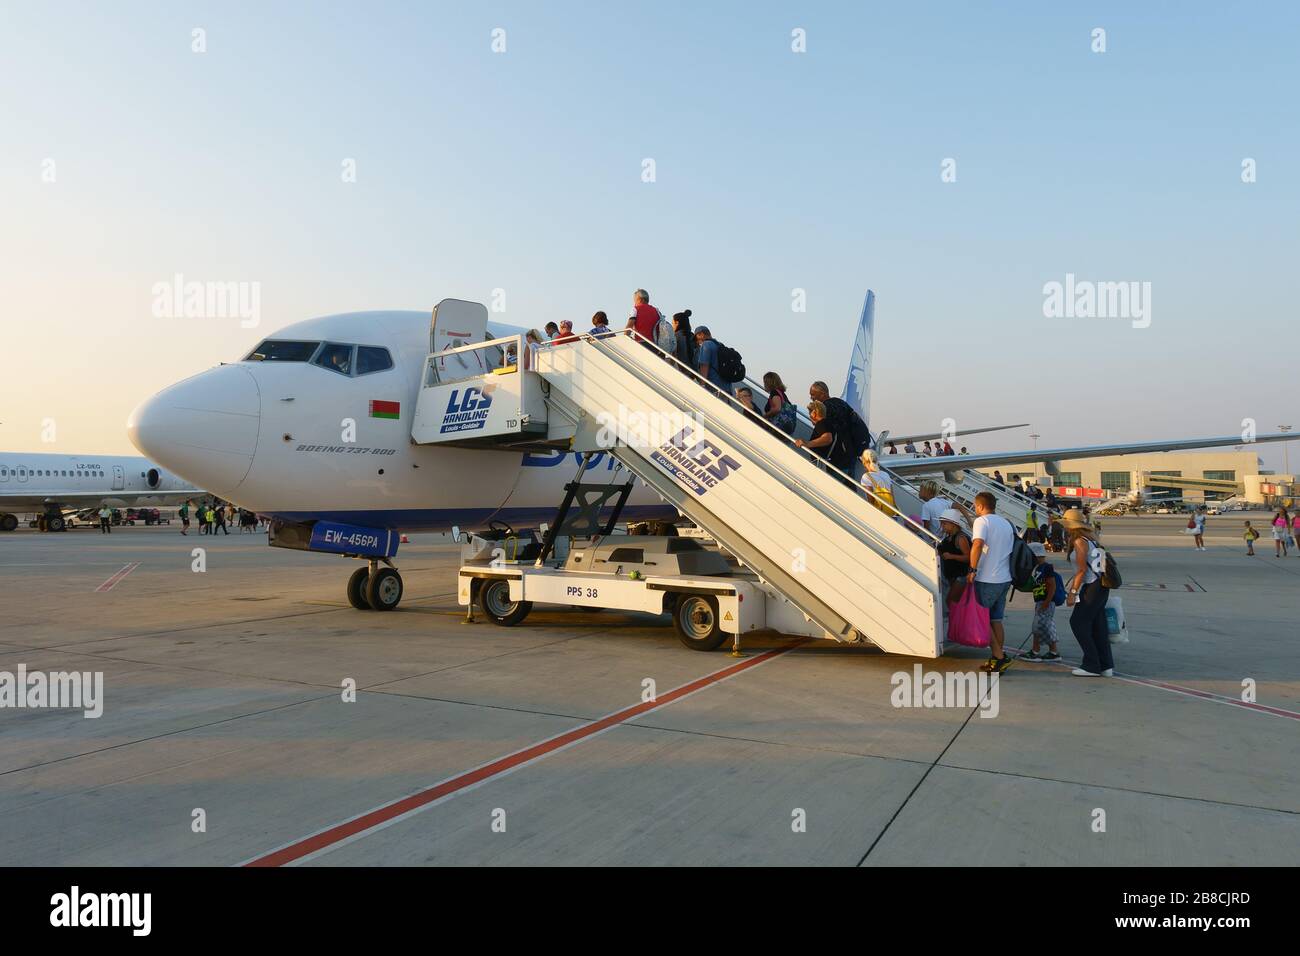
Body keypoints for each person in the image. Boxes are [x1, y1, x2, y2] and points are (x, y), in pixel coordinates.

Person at [967, 491, 1015, 673]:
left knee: (982, 620)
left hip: (988, 578)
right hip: (1004, 578)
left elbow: (977, 544)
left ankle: (1000, 657)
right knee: (996, 619)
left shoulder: (981, 521)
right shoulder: (1006, 523)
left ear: (979, 506)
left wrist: (972, 569)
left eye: (975, 506)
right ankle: (996, 658)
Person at [1062, 508, 1113, 677]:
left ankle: (1092, 664)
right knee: (1098, 626)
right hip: (1101, 586)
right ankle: (1105, 665)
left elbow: (1082, 570)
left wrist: (1073, 592)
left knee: (1078, 622)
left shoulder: (1079, 542)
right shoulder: (1092, 539)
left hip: (1091, 586)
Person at [808, 381, 871, 467]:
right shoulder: (841, 403)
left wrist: (808, 443)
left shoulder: (826, 409)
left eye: (813, 395)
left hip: (839, 456)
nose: (811, 398)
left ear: (822, 394)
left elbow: (828, 436)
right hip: (851, 451)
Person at [1020, 542, 1062, 662]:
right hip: (1041, 601)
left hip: (1046, 602)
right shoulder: (1038, 569)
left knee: (1041, 626)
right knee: (1040, 626)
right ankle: (1045, 650)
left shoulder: (1047, 568)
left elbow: (1052, 586)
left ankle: (1041, 651)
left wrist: (1046, 602)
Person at [936, 508, 972, 607]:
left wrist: (951, 556)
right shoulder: (948, 537)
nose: (942, 526)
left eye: (944, 524)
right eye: (941, 523)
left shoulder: (960, 538)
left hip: (961, 576)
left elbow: (968, 557)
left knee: (951, 602)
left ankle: (956, 621)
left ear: (953, 524)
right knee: (953, 603)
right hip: (953, 576)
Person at [859, 449, 896, 514]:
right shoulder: (885, 474)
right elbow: (892, 495)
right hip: (890, 510)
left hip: (879, 512)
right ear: (876, 461)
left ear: (864, 462)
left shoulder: (866, 477)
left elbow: (870, 498)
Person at [693, 326, 729, 393]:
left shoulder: (706, 345)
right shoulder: (719, 345)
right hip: (726, 387)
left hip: (713, 387)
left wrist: (702, 385)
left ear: (701, 334)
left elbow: (704, 366)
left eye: (697, 339)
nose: (697, 342)